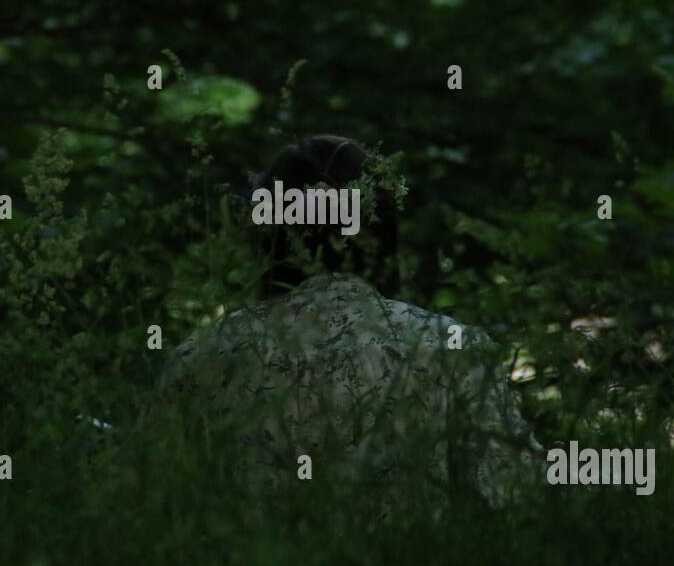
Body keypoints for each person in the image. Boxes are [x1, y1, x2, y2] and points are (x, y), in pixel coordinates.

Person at [159, 135, 540, 509]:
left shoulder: (203, 354)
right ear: (382, 234)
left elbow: (150, 502)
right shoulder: (451, 347)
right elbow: (520, 497)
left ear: (268, 235)